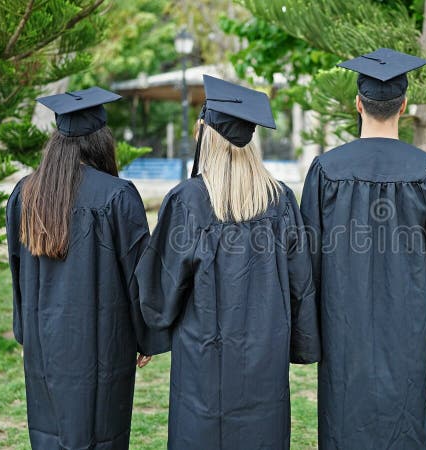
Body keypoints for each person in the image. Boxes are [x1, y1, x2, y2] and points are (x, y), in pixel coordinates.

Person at [134, 75, 321, 450]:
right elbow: (302, 282)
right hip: (264, 360)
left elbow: (161, 282)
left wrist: (148, 334)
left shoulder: (188, 200)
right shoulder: (280, 200)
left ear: (207, 137)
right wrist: (302, 344)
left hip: (202, 362)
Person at [301, 48, 426, 449]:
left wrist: (308, 327)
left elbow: (306, 257)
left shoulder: (325, 169)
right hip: (408, 321)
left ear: (358, 104)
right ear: (403, 106)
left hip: (341, 319)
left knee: (344, 411)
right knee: (403, 413)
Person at [6, 86, 170, 450]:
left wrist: (26, 331)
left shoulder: (25, 194)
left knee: (50, 433)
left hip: (44, 346)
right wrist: (147, 335)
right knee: (101, 434)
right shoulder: (117, 195)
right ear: (101, 142)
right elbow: (139, 275)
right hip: (103, 345)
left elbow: (17, 272)